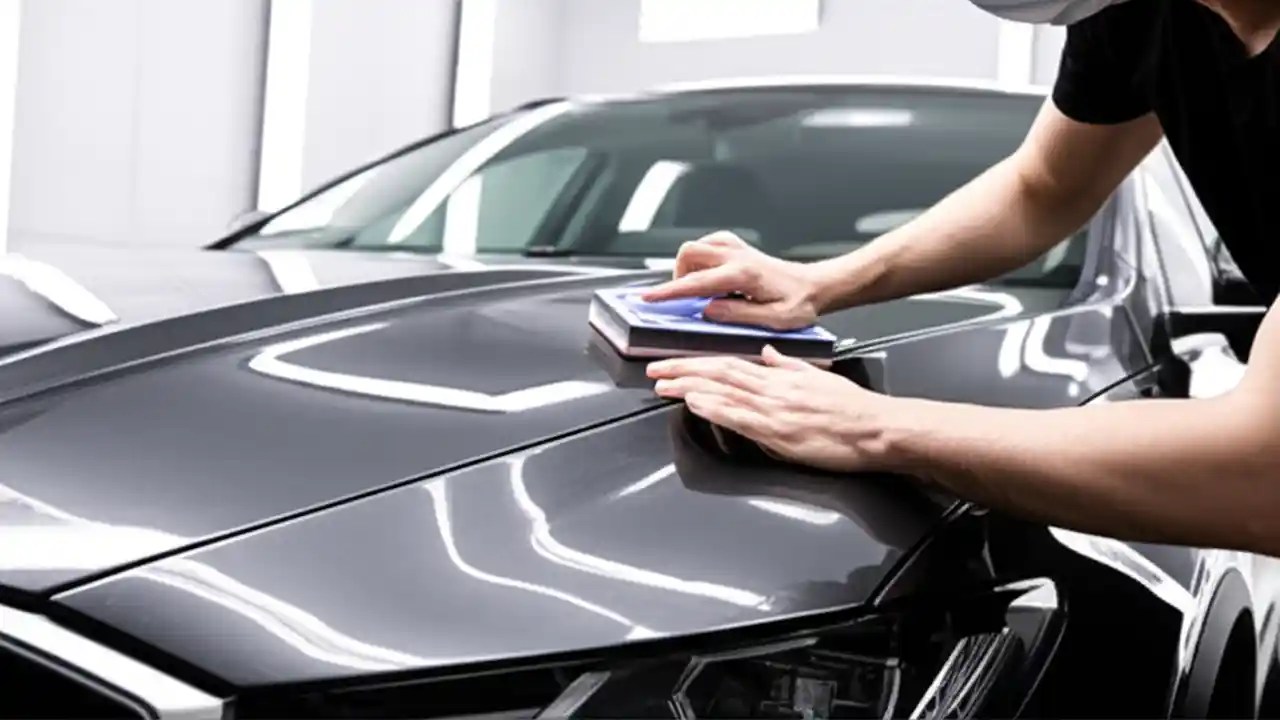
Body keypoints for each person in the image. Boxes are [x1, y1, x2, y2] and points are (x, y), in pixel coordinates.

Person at [642, 0, 1280, 556]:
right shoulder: (1136, 15)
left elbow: (1262, 473)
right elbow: (1042, 189)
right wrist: (818, 284)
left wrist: (873, 426)